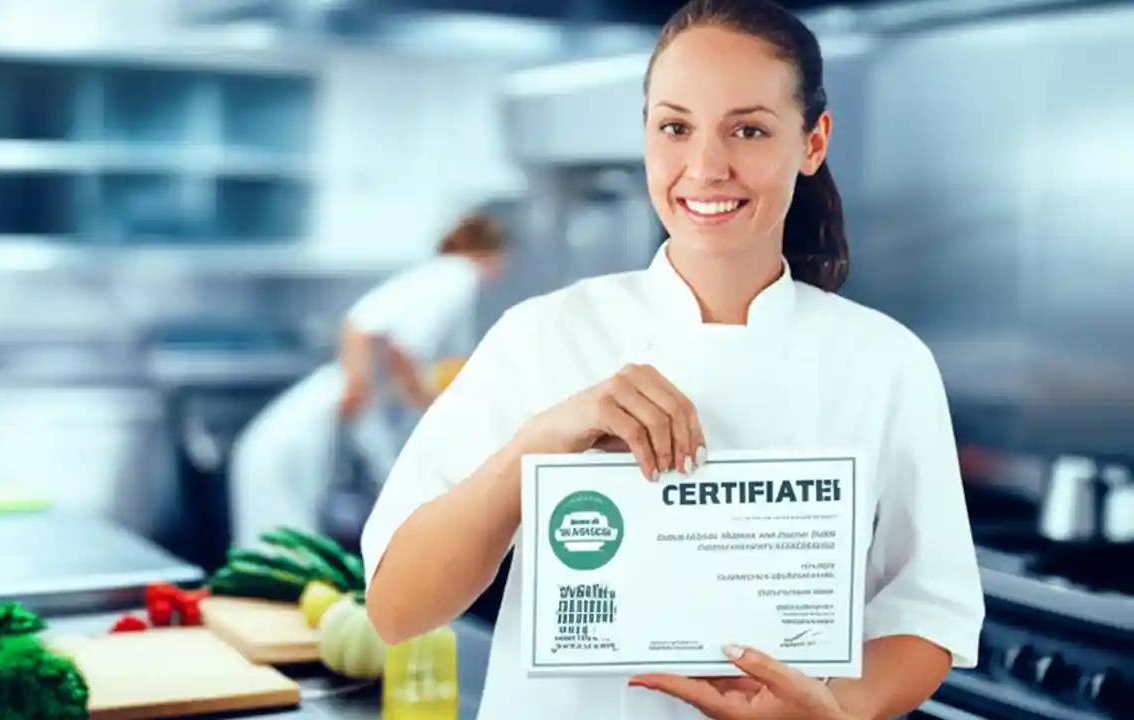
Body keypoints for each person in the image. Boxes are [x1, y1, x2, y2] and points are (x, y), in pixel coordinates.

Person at [359, 1, 985, 718]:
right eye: (675, 128)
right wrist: (542, 441)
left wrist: (838, 709)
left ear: (813, 143)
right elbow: (396, 609)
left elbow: (928, 614)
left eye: (748, 130)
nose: (705, 167)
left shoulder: (885, 362)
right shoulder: (541, 336)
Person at [228, 212, 507, 545]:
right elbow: (394, 340)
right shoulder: (458, 275)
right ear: (496, 253)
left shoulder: (436, 276)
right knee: (280, 535)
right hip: (294, 441)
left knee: (286, 537)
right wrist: (422, 402)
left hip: (303, 436)